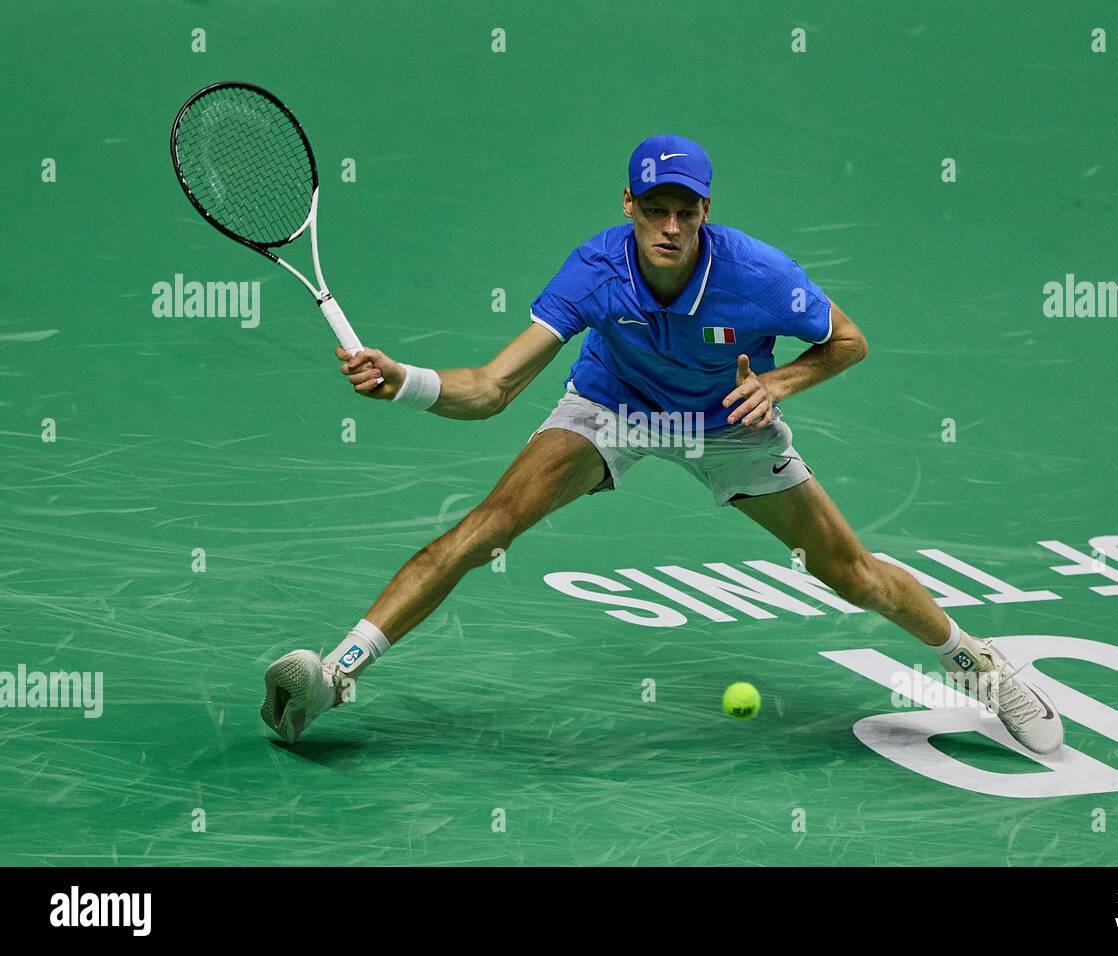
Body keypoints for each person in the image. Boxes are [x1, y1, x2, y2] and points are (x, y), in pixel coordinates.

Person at [260, 135, 1063, 755]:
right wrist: (403, 379)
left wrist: (781, 384)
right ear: (630, 207)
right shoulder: (594, 270)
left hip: (727, 422)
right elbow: (493, 389)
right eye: (655, 210)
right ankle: (334, 676)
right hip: (614, 407)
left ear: (706, 210)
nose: (670, 226)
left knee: (848, 572)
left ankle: (979, 665)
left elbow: (848, 341)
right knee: (486, 526)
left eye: (686, 210)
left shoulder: (759, 274)